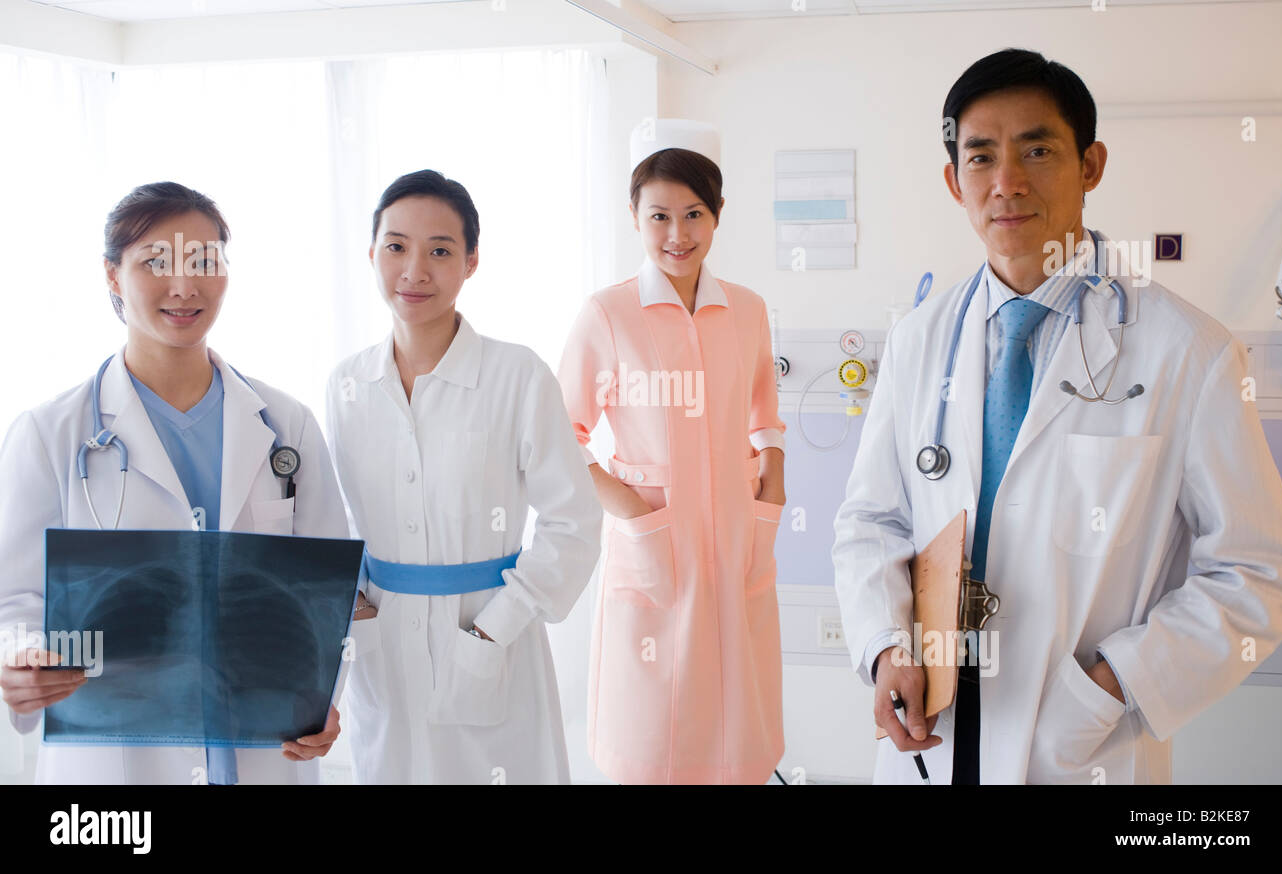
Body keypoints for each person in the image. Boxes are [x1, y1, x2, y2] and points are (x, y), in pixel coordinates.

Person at [832, 49, 1282, 784]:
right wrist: (888, 645)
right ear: (955, 182)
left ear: (1091, 165)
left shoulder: (1188, 352)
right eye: (981, 157)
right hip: (934, 737)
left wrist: (1111, 686)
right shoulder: (920, 340)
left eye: (1038, 149)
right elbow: (870, 522)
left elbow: (1257, 571)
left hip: (1084, 749)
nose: (1007, 183)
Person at [0, 181, 351, 784]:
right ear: (113, 275)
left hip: (261, 750)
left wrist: (318, 701)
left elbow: (327, 596)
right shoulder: (49, 432)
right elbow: (14, 598)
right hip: (116, 763)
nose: (184, 285)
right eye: (155, 262)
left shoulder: (284, 424)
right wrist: (21, 658)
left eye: (204, 261)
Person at [326, 170, 602, 784]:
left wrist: (496, 623)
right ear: (372, 254)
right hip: (383, 644)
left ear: (471, 263)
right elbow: (337, 516)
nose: (414, 270)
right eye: (396, 246)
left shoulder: (517, 376)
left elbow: (574, 520)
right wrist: (354, 600)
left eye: (440, 251)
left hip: (489, 635)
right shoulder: (347, 386)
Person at [557, 120, 787, 784]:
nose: (677, 234)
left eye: (693, 214)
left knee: (738, 717)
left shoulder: (746, 309)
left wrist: (771, 490)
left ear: (717, 217)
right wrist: (633, 512)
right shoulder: (608, 314)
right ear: (634, 216)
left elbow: (764, 413)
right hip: (653, 542)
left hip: (737, 537)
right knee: (653, 728)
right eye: (659, 216)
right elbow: (560, 436)